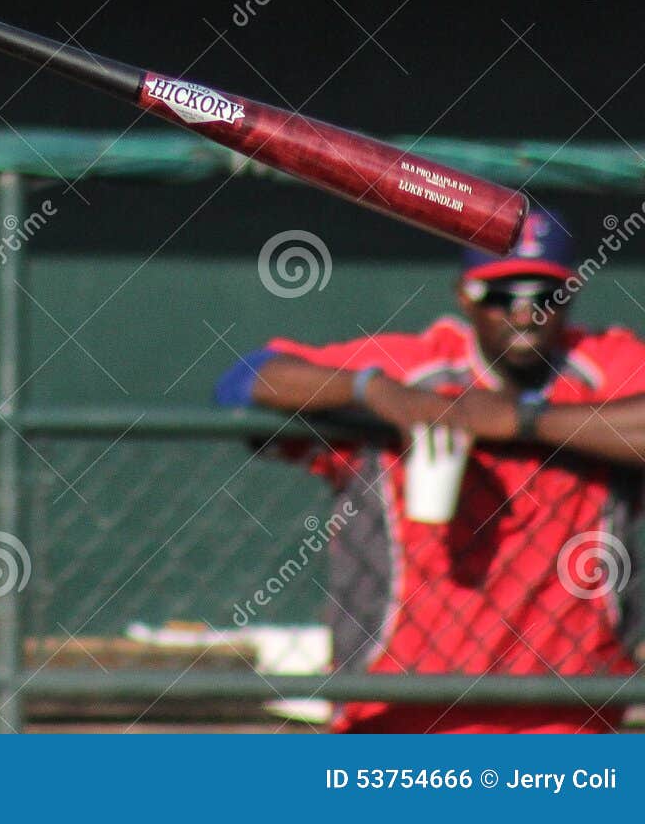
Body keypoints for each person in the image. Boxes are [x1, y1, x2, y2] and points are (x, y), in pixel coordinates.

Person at [216, 210, 645, 733]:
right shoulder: (420, 366)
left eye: (545, 294)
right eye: (501, 294)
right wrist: (373, 391)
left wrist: (524, 422)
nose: (524, 312)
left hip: (567, 720)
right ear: (465, 295)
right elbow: (244, 381)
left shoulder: (603, 363)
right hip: (401, 717)